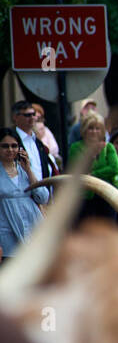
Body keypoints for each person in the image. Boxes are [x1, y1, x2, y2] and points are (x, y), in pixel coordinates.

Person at [67, 113, 118, 227]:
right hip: (84, 198)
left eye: (97, 128)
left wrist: (93, 174)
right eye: (90, 128)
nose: (94, 131)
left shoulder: (108, 147)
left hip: (106, 196)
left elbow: (114, 168)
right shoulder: (75, 148)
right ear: (84, 130)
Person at [0, 126, 49, 262]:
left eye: (14, 146)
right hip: (7, 235)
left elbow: (43, 197)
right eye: (5, 146)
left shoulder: (25, 169)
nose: (10, 150)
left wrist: (28, 169)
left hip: (33, 230)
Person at [11, 101, 56, 184]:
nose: (32, 118)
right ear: (15, 117)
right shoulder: (10, 141)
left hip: (42, 193)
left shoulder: (39, 143)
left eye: (33, 114)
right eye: (27, 115)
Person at [30, 103, 60, 168]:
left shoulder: (46, 130)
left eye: (40, 119)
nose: (39, 124)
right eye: (36, 119)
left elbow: (54, 149)